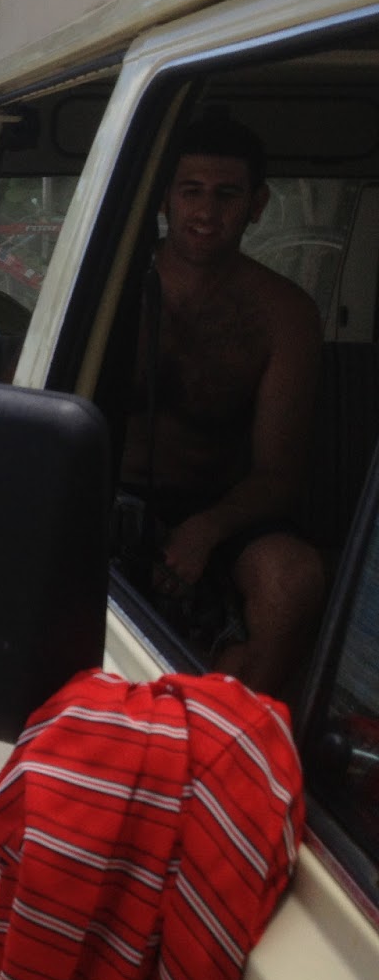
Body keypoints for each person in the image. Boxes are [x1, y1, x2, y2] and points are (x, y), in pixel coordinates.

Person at [121, 116, 325, 695]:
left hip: (224, 507)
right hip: (108, 496)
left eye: (227, 194)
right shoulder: (110, 288)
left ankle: (242, 747)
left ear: (257, 204)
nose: (207, 212)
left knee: (294, 579)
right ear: (165, 198)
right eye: (191, 191)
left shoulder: (283, 314)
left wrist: (206, 529)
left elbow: (278, 475)